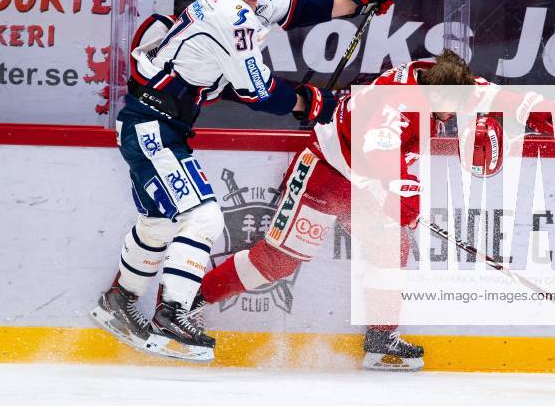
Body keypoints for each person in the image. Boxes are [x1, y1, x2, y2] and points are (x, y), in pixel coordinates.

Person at [89, 0, 395, 362]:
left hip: (158, 126)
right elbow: (260, 92)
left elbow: (293, 8)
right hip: (153, 128)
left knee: (159, 222)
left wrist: (357, 0)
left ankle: (118, 302)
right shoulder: (228, 18)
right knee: (204, 217)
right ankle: (172, 312)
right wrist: (312, 103)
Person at [193, 49, 496, 370]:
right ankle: (185, 301)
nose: (453, 116)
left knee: (391, 248)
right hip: (325, 173)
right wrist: (400, 196)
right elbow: (380, 156)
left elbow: (495, 96)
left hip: (364, 182)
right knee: (276, 263)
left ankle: (381, 338)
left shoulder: (444, 83)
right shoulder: (394, 107)